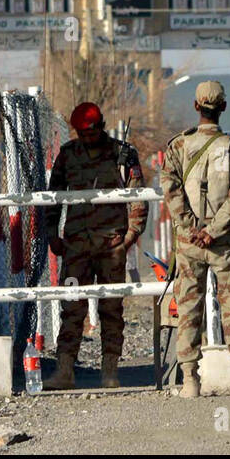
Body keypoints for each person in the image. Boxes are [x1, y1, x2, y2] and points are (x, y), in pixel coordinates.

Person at [162, 80, 230, 397]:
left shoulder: (177, 147)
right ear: (223, 107)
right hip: (222, 244)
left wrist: (193, 228)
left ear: (197, 107)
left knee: (188, 310)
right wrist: (213, 230)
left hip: (189, 244)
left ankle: (191, 381)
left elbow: (171, 191)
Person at [42, 102, 149, 390]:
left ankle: (110, 371)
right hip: (76, 247)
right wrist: (53, 234)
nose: (89, 137)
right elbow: (53, 198)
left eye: (93, 131)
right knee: (72, 306)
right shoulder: (67, 155)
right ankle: (65, 370)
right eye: (83, 133)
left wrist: (128, 240)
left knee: (111, 309)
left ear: (101, 125)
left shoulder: (121, 154)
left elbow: (139, 198)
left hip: (111, 247)